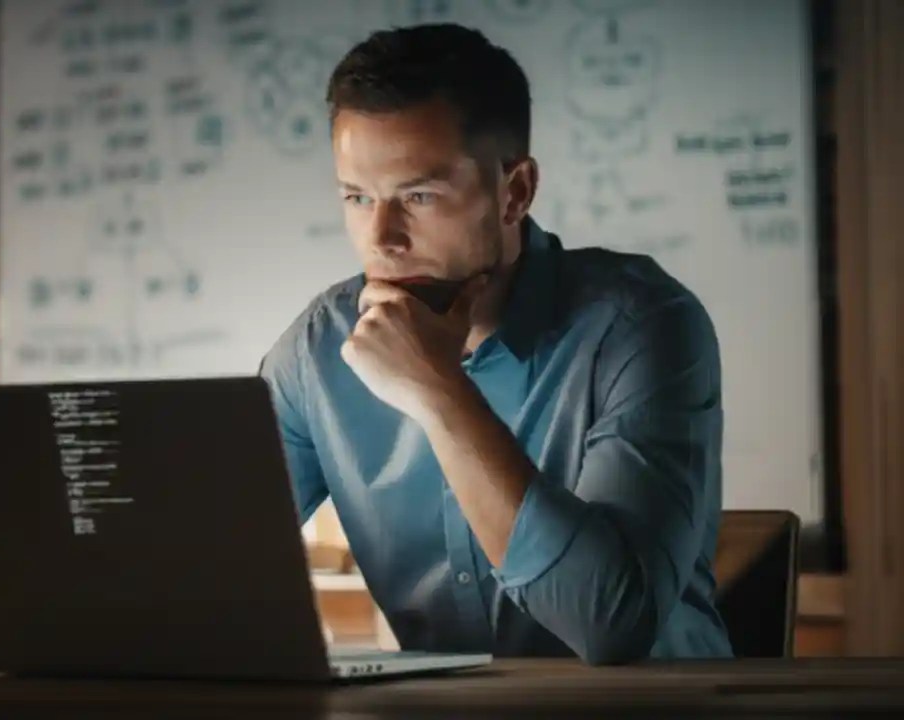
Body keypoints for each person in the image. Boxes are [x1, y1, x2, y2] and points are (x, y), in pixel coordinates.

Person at [259, 23, 733, 665]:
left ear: (515, 192)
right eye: (357, 197)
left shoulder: (643, 325)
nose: (382, 237)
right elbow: (206, 567)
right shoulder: (317, 350)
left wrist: (437, 391)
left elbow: (610, 625)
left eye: (418, 196)